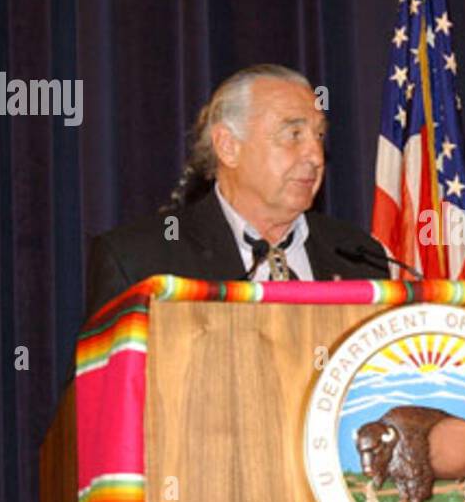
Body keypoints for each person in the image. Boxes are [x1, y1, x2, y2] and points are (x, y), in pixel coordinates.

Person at [84, 64, 388, 318]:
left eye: (319, 135)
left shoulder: (360, 257)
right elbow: (97, 388)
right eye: (293, 134)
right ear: (228, 147)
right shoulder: (140, 262)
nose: (316, 156)